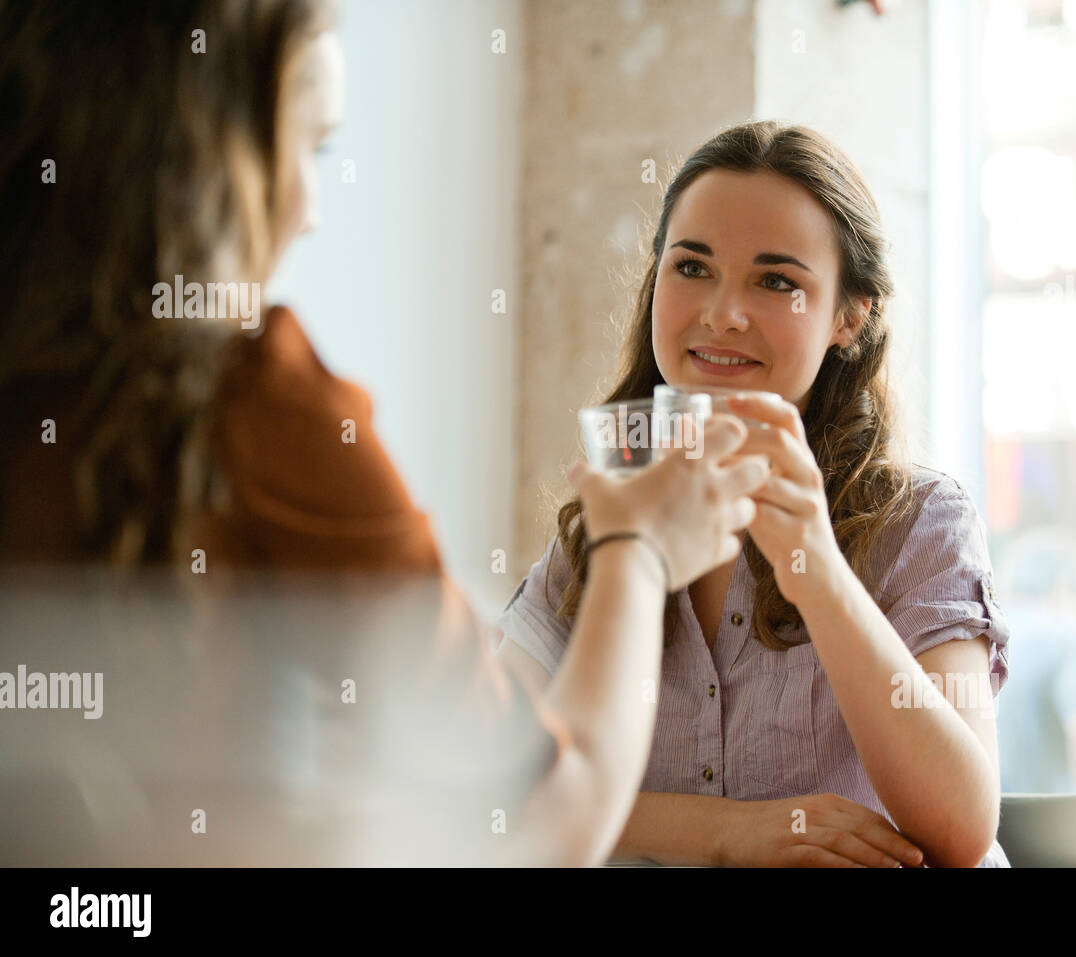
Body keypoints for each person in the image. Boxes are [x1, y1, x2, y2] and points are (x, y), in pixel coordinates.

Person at [0, 0, 769, 866]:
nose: (313, 210)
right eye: (310, 148)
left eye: (776, 281)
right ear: (201, 158)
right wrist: (641, 547)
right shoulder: (259, 406)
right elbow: (543, 821)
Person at [497, 121, 1013, 867]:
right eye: (692, 267)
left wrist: (820, 570)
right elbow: (497, 794)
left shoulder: (920, 523)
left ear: (849, 315)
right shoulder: (601, 529)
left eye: (777, 281)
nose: (721, 313)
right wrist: (729, 832)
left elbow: (964, 828)